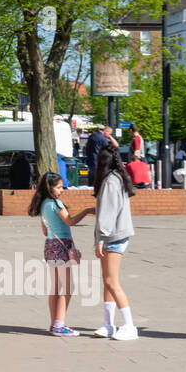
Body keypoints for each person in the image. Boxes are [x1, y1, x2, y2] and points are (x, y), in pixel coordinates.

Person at [28, 172, 91, 337]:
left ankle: (54, 322)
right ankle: (59, 324)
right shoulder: (56, 203)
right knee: (68, 287)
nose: (61, 190)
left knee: (55, 287)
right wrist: (87, 211)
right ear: (50, 188)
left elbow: (44, 231)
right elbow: (70, 221)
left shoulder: (43, 205)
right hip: (62, 247)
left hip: (50, 245)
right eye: (59, 187)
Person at [92, 143, 138, 340]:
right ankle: (108, 323)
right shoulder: (118, 178)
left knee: (111, 282)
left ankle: (129, 326)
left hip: (113, 236)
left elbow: (108, 213)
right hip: (118, 234)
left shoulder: (110, 181)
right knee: (108, 282)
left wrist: (100, 239)